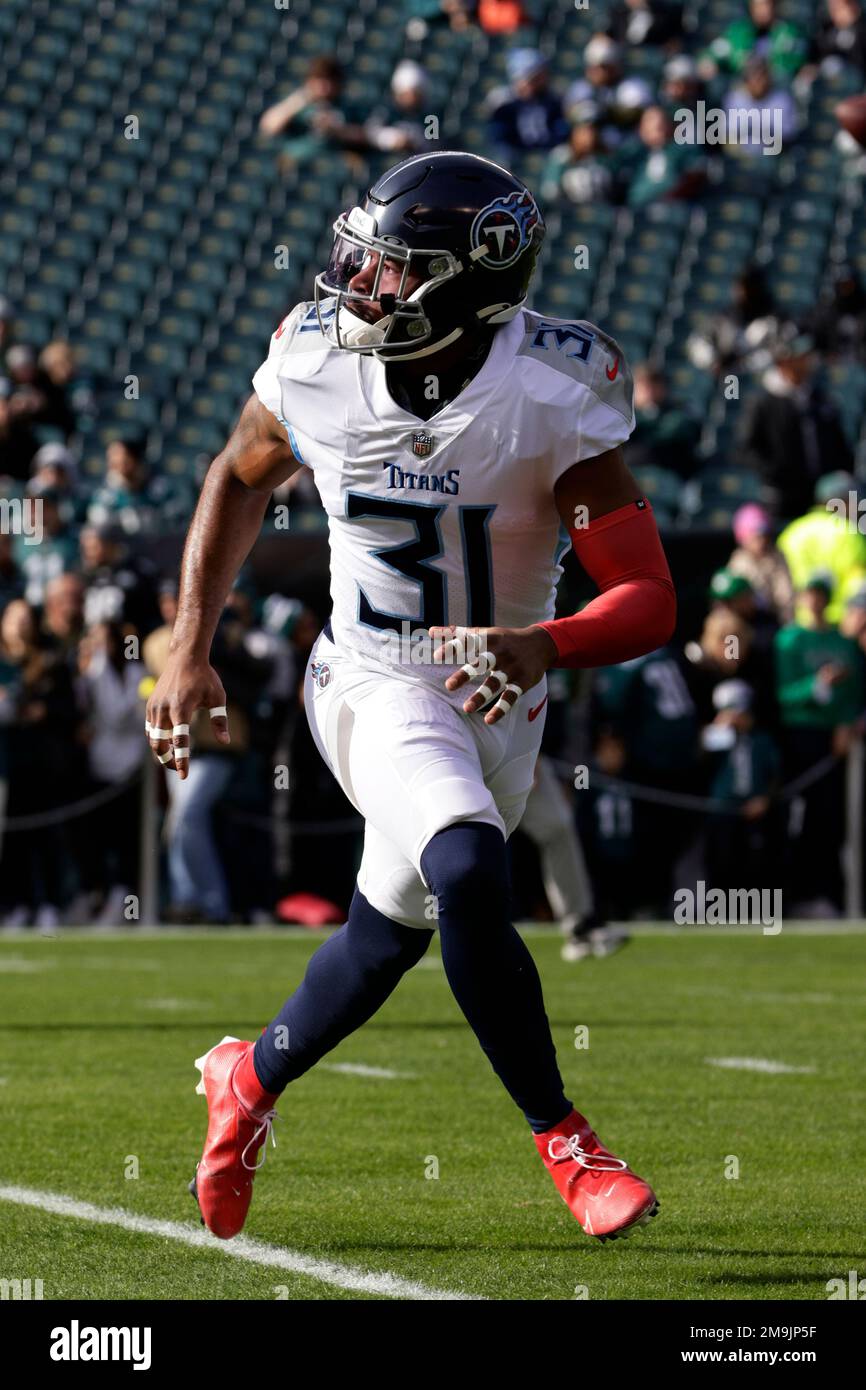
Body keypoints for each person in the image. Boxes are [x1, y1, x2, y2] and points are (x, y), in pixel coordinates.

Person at [146, 152, 675, 1244]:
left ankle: (247, 1077)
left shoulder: (549, 391)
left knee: (387, 935)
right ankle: (566, 1140)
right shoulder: (314, 362)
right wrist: (188, 647)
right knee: (468, 865)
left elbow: (649, 597)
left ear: (468, 283)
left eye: (389, 268)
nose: (359, 283)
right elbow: (236, 475)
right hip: (369, 676)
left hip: (499, 699)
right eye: (362, 259)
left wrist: (544, 643)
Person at [736, 323, 853, 520]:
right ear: (784, 361)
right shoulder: (763, 402)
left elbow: (839, 444)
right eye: (800, 356)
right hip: (783, 500)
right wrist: (777, 472)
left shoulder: (820, 399)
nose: (807, 360)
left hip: (823, 496)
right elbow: (746, 448)